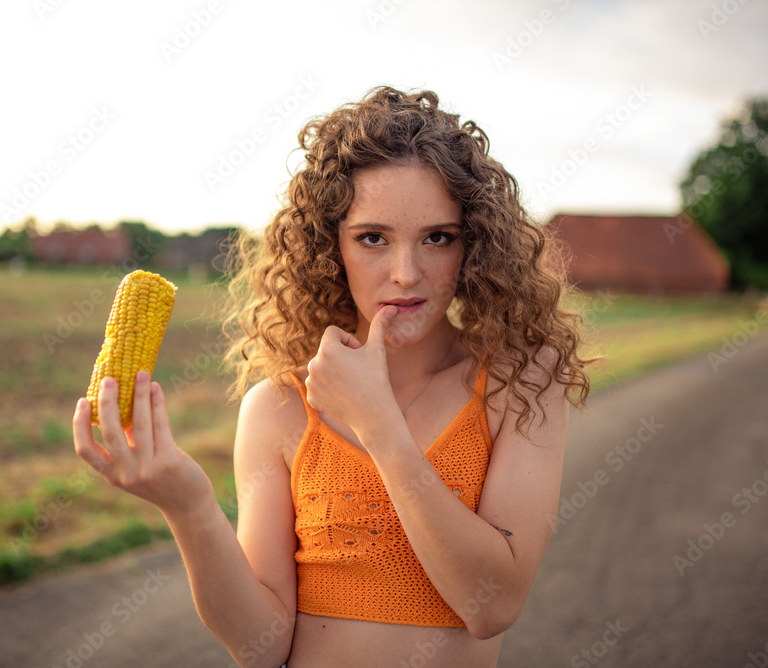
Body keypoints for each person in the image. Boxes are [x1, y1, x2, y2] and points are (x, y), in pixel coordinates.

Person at [72, 86, 591, 667]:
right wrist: (189, 507)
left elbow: (491, 606)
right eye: (373, 238)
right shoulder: (278, 407)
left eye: (437, 238)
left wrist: (378, 423)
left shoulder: (520, 381)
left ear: (474, 246)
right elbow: (260, 649)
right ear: (331, 247)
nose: (406, 274)